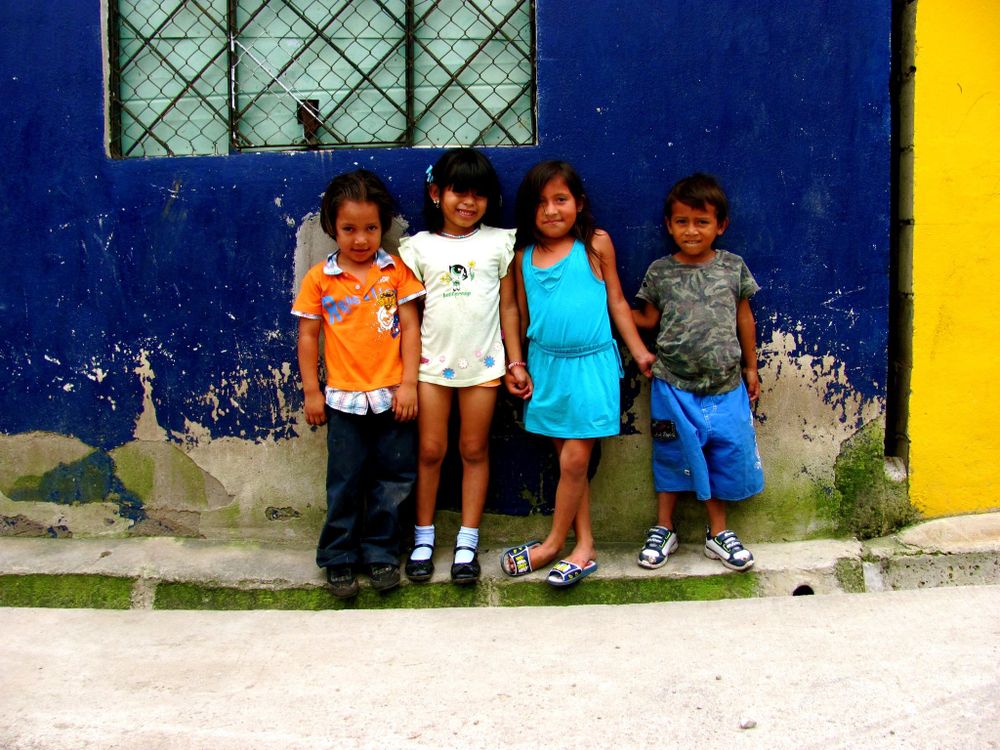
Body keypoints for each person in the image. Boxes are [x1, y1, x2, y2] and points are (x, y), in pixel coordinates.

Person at [500, 160, 655, 587]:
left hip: (592, 365)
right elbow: (512, 311)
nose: (551, 210)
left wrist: (639, 352)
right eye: (540, 202)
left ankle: (552, 543)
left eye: (561, 200)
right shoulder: (522, 258)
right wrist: (516, 362)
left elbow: (618, 303)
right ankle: (583, 546)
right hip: (546, 367)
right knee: (570, 465)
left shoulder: (595, 245)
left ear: (579, 204)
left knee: (575, 459)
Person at [398, 148, 529, 585]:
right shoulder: (418, 248)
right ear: (437, 193)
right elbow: (409, 316)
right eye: (459, 192)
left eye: (479, 194)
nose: (468, 202)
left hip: (484, 367)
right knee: (431, 451)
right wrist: (408, 377)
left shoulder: (498, 242)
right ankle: (423, 537)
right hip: (431, 368)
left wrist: (514, 361)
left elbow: (509, 307)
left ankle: (468, 540)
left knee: (474, 450)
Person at [292, 170, 425, 598]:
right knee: (345, 480)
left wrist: (409, 385)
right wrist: (312, 392)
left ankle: (383, 554)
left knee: (394, 479)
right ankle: (339, 557)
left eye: (370, 228)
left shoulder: (396, 273)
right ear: (332, 227)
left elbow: (411, 328)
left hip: (393, 398)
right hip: (343, 400)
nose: (361, 239)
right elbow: (309, 336)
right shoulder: (320, 279)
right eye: (349, 229)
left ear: (382, 226)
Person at [632, 173, 764, 572]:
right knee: (671, 454)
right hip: (672, 386)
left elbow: (745, 317)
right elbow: (648, 318)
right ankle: (664, 528)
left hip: (725, 386)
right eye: (682, 222)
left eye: (702, 222)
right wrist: (607, 306)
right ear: (669, 226)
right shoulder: (660, 271)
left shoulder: (733, 268)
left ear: (720, 226)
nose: (692, 231)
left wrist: (751, 366)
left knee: (723, 453)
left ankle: (717, 533)